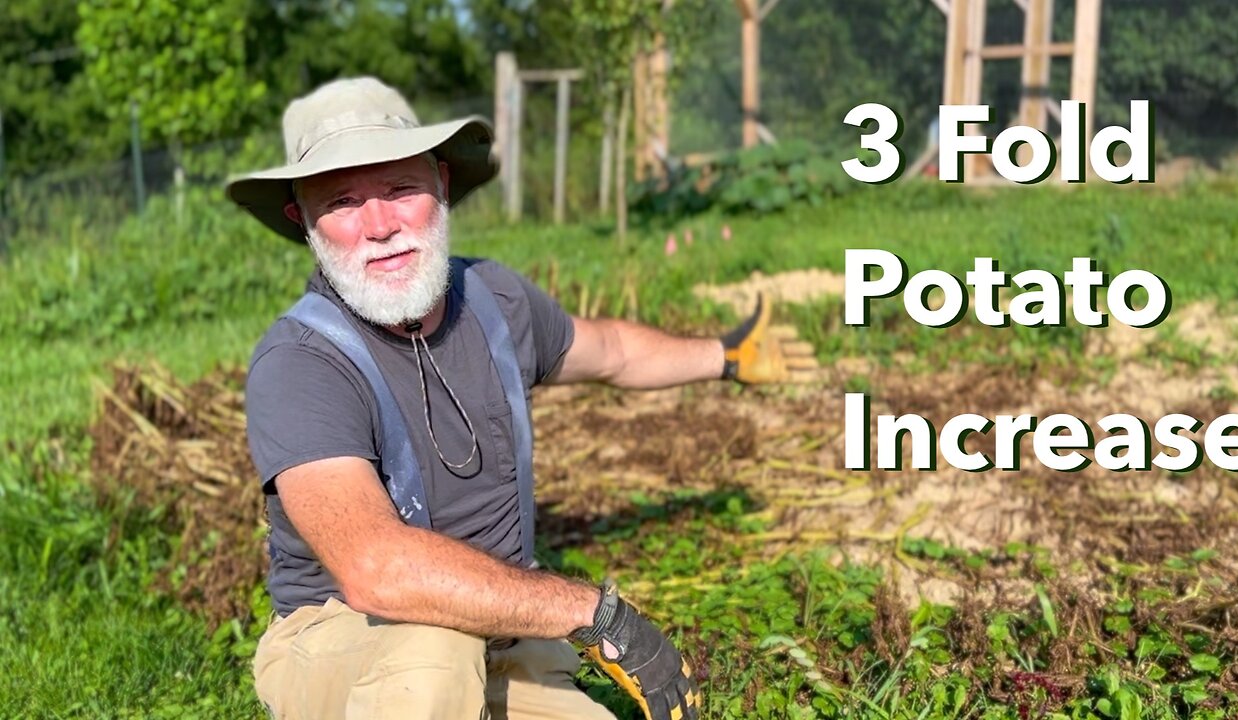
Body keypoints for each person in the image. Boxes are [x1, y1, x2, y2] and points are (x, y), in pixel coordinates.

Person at [225, 76, 816, 720]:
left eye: (400, 189)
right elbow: (376, 569)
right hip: (351, 643)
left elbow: (612, 351)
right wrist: (596, 615)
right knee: (432, 656)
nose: (380, 226)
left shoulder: (493, 301)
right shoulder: (301, 363)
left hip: (504, 646)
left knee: (460, 660)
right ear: (304, 223)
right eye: (341, 202)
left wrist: (727, 357)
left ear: (443, 186)